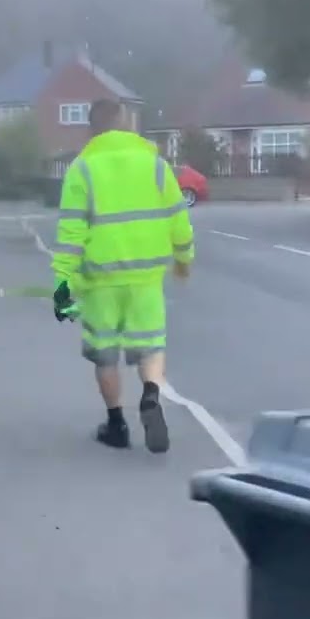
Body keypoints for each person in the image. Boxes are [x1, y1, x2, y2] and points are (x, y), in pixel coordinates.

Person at [52, 99, 195, 453]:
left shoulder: (82, 169)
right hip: (146, 277)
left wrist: (63, 284)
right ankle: (151, 394)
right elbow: (178, 216)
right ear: (127, 125)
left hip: (99, 280)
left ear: (92, 129)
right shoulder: (155, 165)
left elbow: (71, 232)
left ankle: (116, 425)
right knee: (151, 346)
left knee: (105, 355)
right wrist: (183, 258)